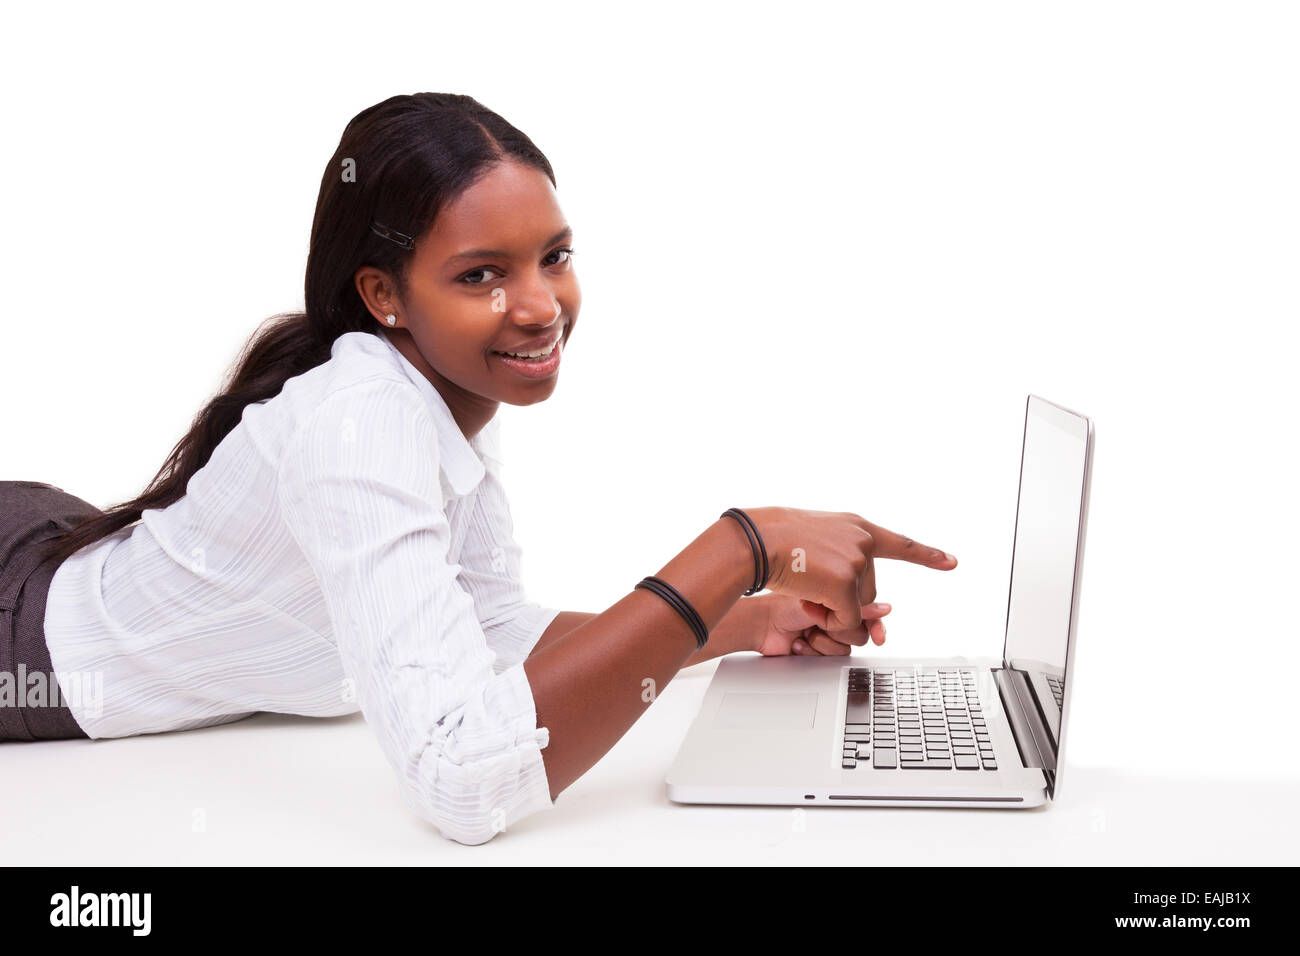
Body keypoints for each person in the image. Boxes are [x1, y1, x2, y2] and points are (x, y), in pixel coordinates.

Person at [0, 92, 957, 845]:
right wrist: (739, 547)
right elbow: (463, 778)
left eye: (554, 256)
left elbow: (486, 623)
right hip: (26, 649)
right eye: (481, 275)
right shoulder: (360, 422)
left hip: (53, 546)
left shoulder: (434, 388)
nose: (539, 305)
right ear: (385, 296)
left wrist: (732, 624)